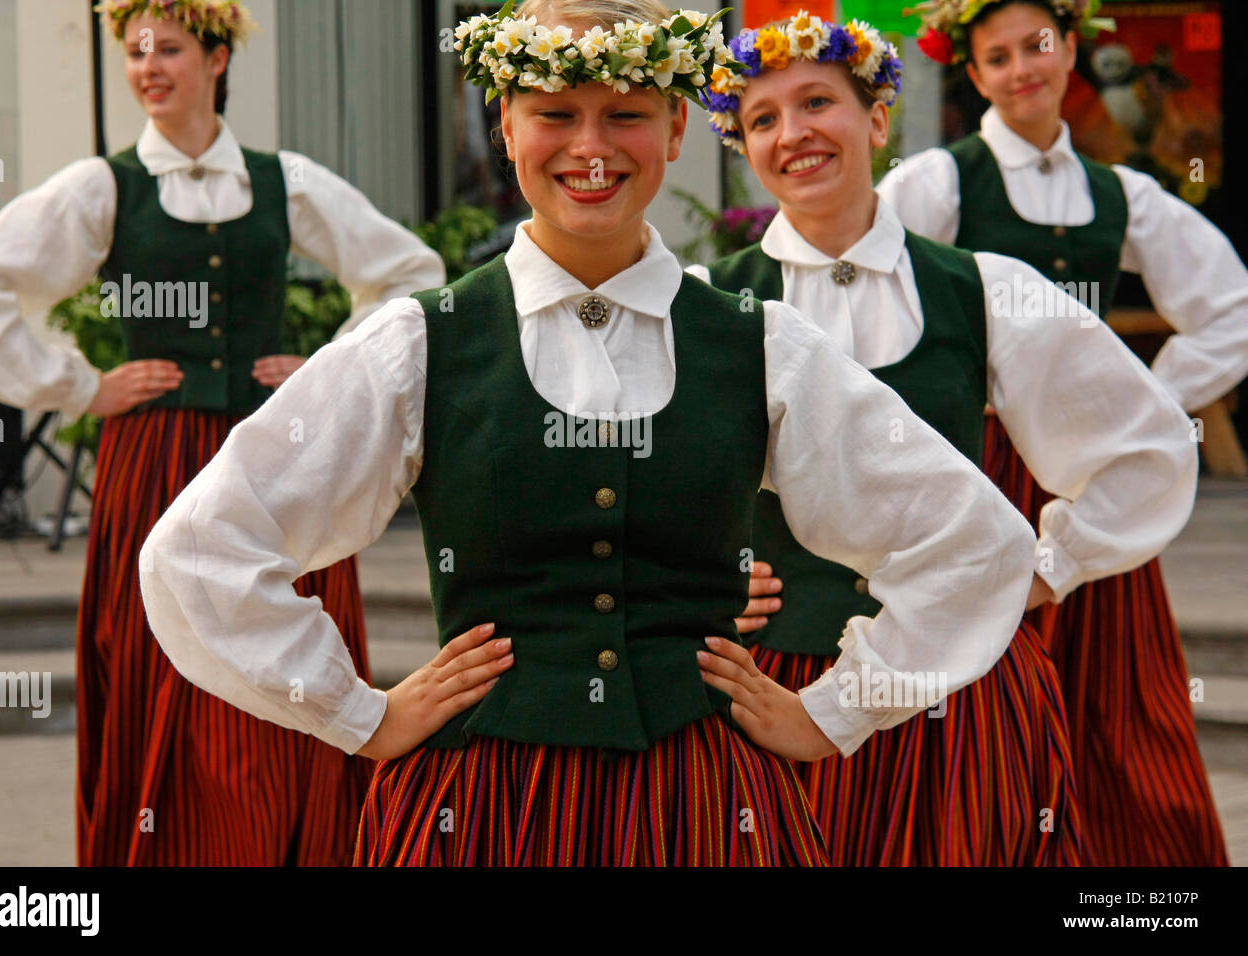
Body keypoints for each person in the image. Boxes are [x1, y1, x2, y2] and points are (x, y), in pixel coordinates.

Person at [140, 0, 1037, 867]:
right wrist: (356, 712)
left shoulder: (760, 343)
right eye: (556, 113)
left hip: (704, 805)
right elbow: (201, 550)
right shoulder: (420, 341)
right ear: (504, 123)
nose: (591, 147)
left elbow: (975, 541)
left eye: (627, 114)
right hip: (484, 804)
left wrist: (833, 712)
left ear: (678, 129)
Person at [692, 11, 1196, 866]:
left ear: (878, 118)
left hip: (959, 692)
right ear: (742, 146)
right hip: (778, 693)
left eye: (818, 101)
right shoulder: (705, 303)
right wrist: (698, 575)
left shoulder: (984, 289)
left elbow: (1145, 447)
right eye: (763, 119)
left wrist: (1045, 570)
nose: (794, 133)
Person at [0, 0, 445, 865]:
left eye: (168, 48)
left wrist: (331, 368)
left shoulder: (282, 178)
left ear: (217, 59)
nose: (147, 68)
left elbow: (408, 274)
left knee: (285, 659)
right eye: (135, 52)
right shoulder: (105, 187)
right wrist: (80, 384)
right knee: (160, 662)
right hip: (155, 465)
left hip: (281, 461)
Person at [878, 0, 1241, 865]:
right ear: (973, 77)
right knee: (983, 682)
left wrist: (1141, 403)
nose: (1021, 69)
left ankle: (1136, 885)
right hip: (986, 465)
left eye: (1036, 46)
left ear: (1072, 48)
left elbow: (1228, 309)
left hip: (1091, 471)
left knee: (1123, 688)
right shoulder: (939, 181)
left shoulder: (1126, 193)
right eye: (995, 57)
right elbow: (874, 294)